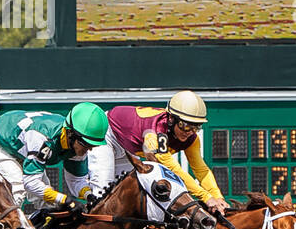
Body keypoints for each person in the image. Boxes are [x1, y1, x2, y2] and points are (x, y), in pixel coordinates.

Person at [89, 89, 227, 215]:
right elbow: (174, 170)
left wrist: (217, 196)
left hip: (128, 150)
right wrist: (206, 197)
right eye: (185, 125)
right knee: (102, 191)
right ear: (171, 119)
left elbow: (201, 169)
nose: (190, 132)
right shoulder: (154, 133)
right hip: (107, 136)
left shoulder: (191, 139)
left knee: (126, 198)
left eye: (196, 127)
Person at [0, 103, 110, 218]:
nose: (89, 150)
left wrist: (89, 195)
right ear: (70, 134)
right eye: (86, 144)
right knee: (17, 187)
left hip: (21, 146)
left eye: (92, 145)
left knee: (49, 202)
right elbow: (30, 182)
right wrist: (65, 199)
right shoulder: (43, 138)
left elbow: (76, 181)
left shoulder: (74, 142)